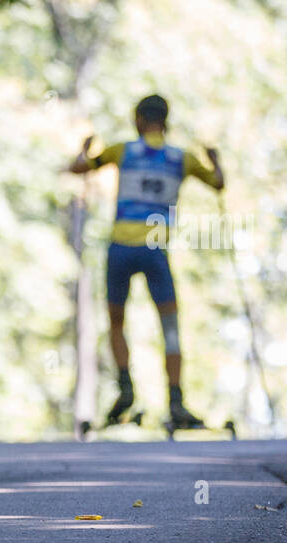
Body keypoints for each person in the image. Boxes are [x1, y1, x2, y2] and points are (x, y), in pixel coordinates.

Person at [68, 94, 224, 428]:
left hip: (120, 248)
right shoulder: (181, 159)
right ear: (165, 122)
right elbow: (218, 184)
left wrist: (84, 148)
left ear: (138, 120)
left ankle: (125, 389)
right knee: (169, 325)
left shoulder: (123, 151)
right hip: (155, 250)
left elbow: (79, 168)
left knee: (115, 321)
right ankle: (176, 402)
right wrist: (215, 160)